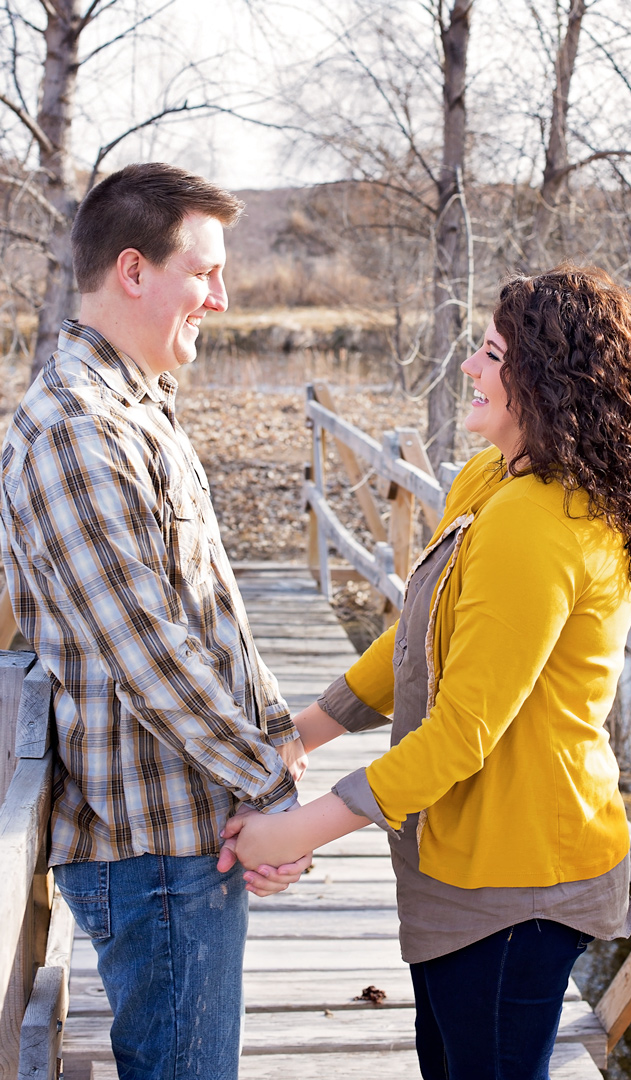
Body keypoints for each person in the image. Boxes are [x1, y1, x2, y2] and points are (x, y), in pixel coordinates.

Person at [219, 264, 631, 1080]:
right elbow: (421, 637)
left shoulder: (540, 525)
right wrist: (307, 730)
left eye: (491, 352)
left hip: (519, 881)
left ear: (544, 380)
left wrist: (297, 828)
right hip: (459, 862)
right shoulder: (489, 482)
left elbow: (462, 733)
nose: (469, 367)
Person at [0, 162, 310, 1080]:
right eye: (205, 271)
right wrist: (270, 787)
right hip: (157, 852)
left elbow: (210, 617)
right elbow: (146, 653)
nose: (221, 296)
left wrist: (279, 744)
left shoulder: (136, 408)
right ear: (134, 272)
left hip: (187, 830)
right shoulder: (75, 431)